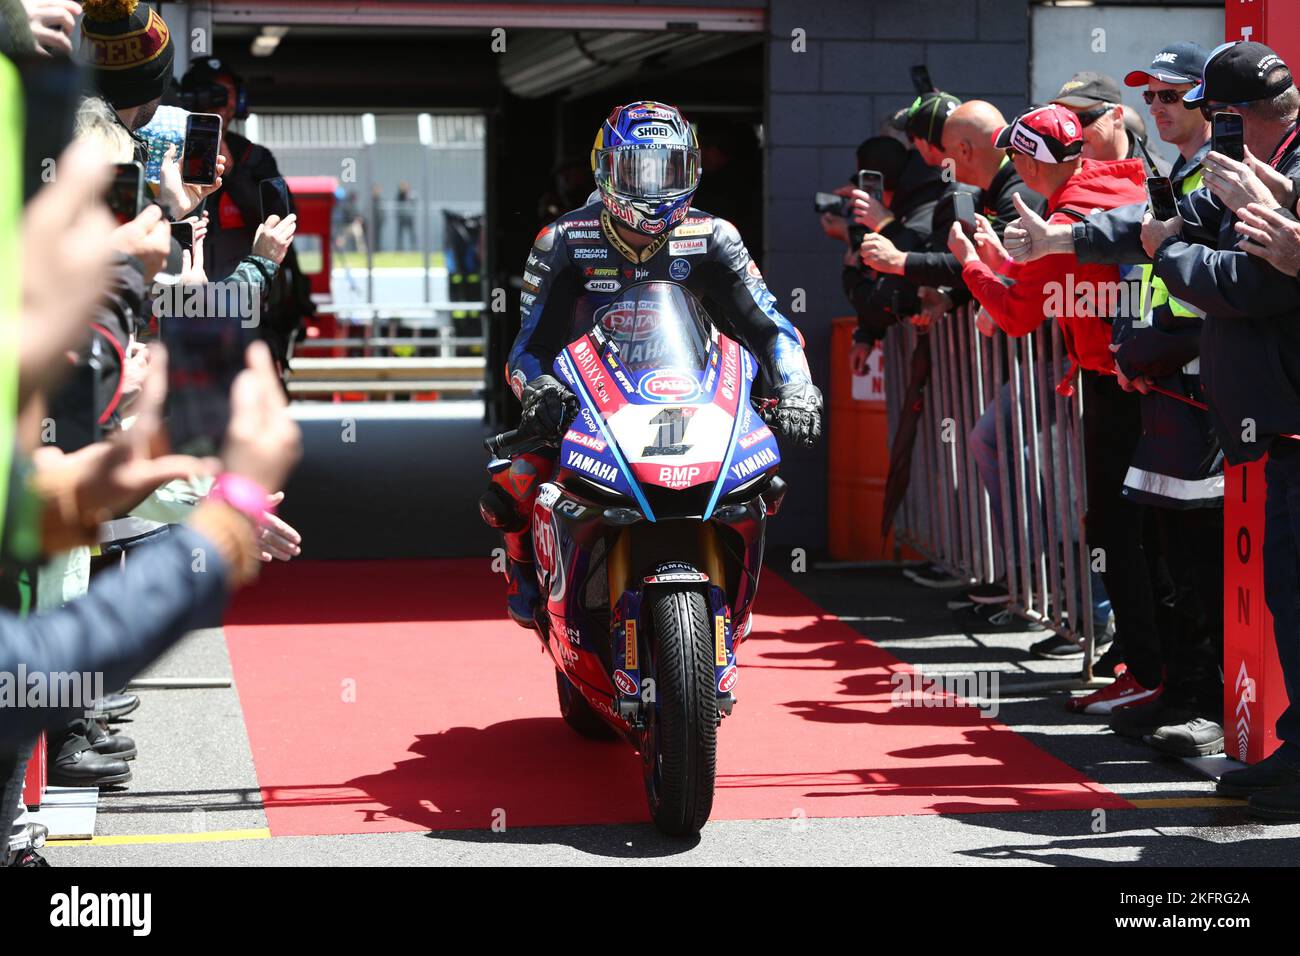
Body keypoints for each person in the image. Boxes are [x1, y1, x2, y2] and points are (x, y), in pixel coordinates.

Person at [481, 101, 822, 627]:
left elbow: (770, 326)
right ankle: (524, 571)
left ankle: (731, 592)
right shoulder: (563, 240)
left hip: (693, 392)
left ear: (692, 171)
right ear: (605, 171)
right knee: (518, 480)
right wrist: (541, 390)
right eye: (637, 169)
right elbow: (529, 346)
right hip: (588, 399)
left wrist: (797, 387)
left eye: (668, 169)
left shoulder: (716, 236)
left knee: (763, 482)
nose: (653, 185)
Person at [948, 104, 1160, 695]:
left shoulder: (1064, 214)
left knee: (1117, 531)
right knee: (1153, 531)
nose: (1011, 165)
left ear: (1029, 163)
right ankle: (1149, 665)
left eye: (1015, 155)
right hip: (1153, 378)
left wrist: (970, 265)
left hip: (1116, 384)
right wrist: (999, 259)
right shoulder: (1118, 184)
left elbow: (1018, 314)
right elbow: (1050, 285)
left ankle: (1145, 669)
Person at [178, 56, 314, 372]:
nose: (223, 105)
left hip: (248, 308)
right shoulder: (170, 154)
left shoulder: (254, 159)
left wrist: (234, 173)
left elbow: (285, 223)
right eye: (214, 95)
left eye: (227, 96)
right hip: (185, 306)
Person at [1050, 70, 1170, 174]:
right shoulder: (1057, 174)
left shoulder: (1157, 180)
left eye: (1083, 119)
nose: (1071, 132)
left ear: (1116, 116)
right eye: (1064, 121)